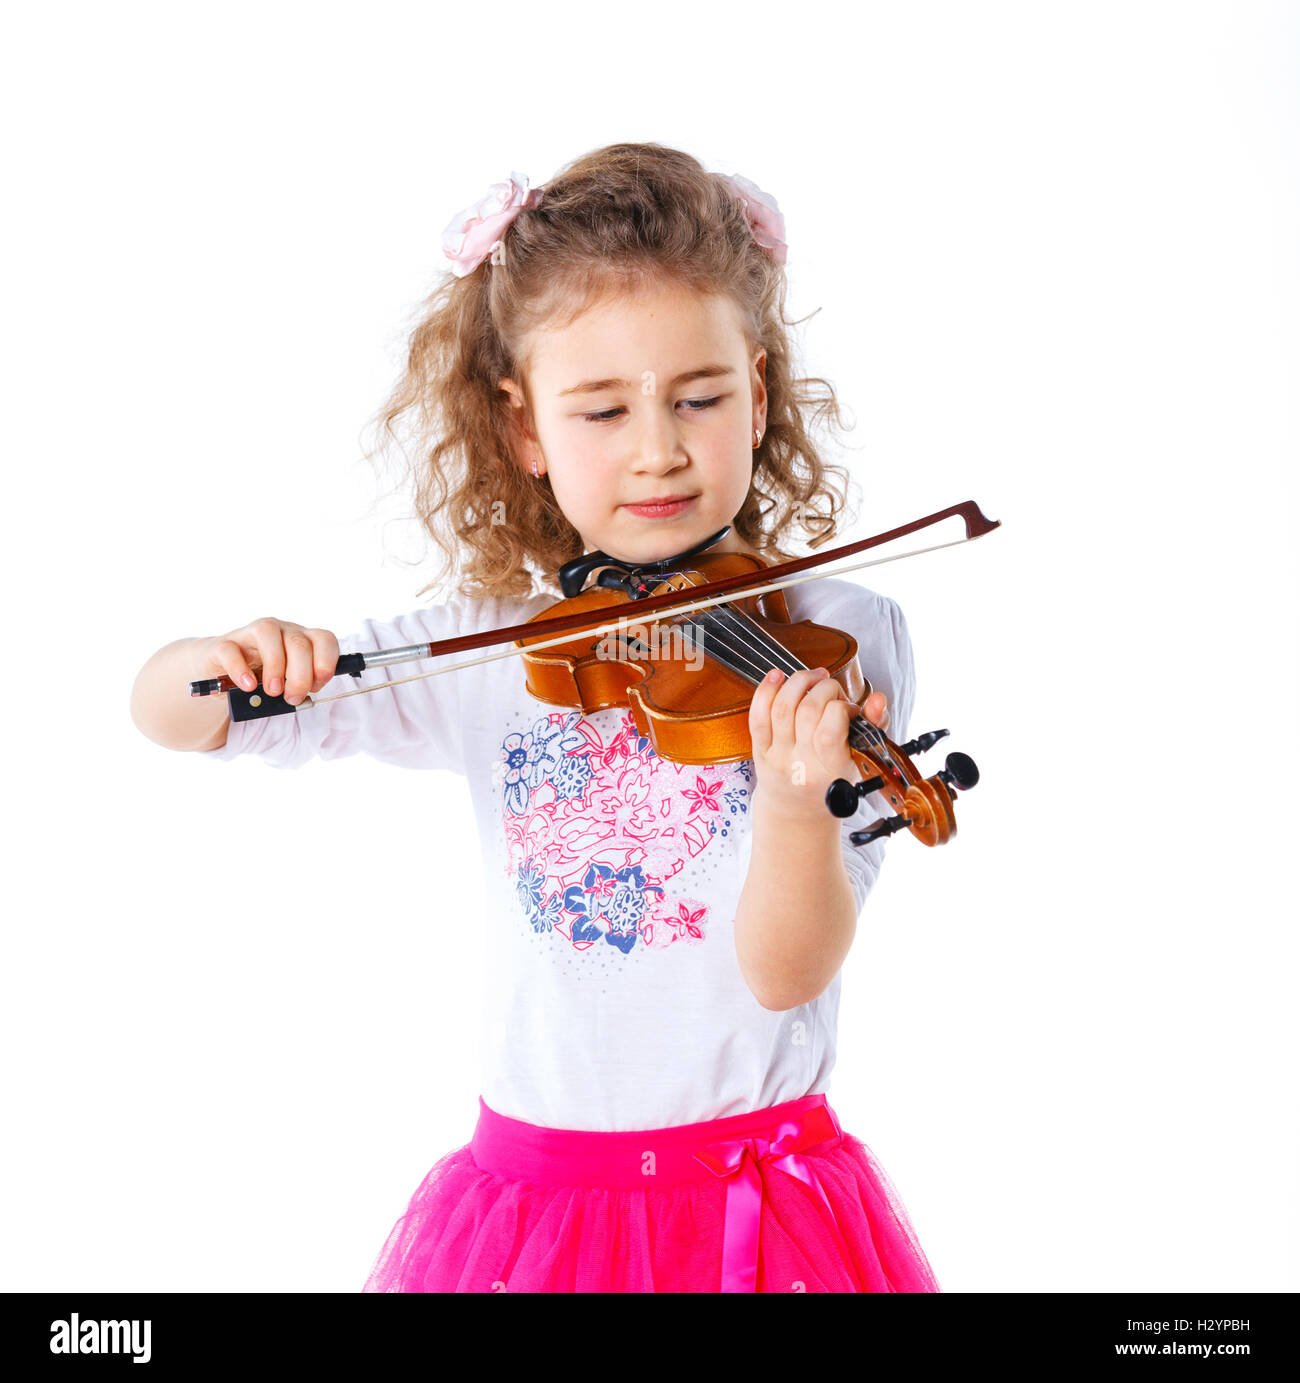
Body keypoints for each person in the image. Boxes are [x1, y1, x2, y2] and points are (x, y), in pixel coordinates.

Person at [130, 142, 940, 1293]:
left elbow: (784, 974)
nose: (657, 448)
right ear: (523, 432)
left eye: (699, 398)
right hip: (538, 1207)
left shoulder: (833, 635)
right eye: (600, 410)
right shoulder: (503, 650)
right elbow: (180, 716)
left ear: (758, 396)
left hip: (754, 1212)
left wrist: (802, 799)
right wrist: (221, 660)